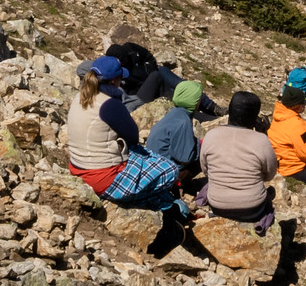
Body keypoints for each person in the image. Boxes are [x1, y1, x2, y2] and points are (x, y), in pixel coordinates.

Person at [66, 57, 181, 210]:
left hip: (77, 166)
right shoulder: (109, 103)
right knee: (170, 170)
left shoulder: (81, 95)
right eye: (121, 78)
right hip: (102, 176)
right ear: (114, 81)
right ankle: (141, 202)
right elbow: (132, 135)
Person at [200, 91, 279, 230]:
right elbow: (270, 175)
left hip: (217, 205)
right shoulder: (261, 141)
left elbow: (206, 170)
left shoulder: (211, 135)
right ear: (255, 118)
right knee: (269, 194)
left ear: (229, 111)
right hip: (252, 209)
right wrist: (263, 132)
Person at [143, 80, 205, 187]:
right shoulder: (183, 121)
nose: (200, 101)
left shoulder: (175, 113)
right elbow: (185, 158)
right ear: (193, 101)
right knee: (204, 155)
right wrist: (200, 146)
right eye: (198, 98)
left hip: (153, 166)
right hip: (163, 171)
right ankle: (178, 184)